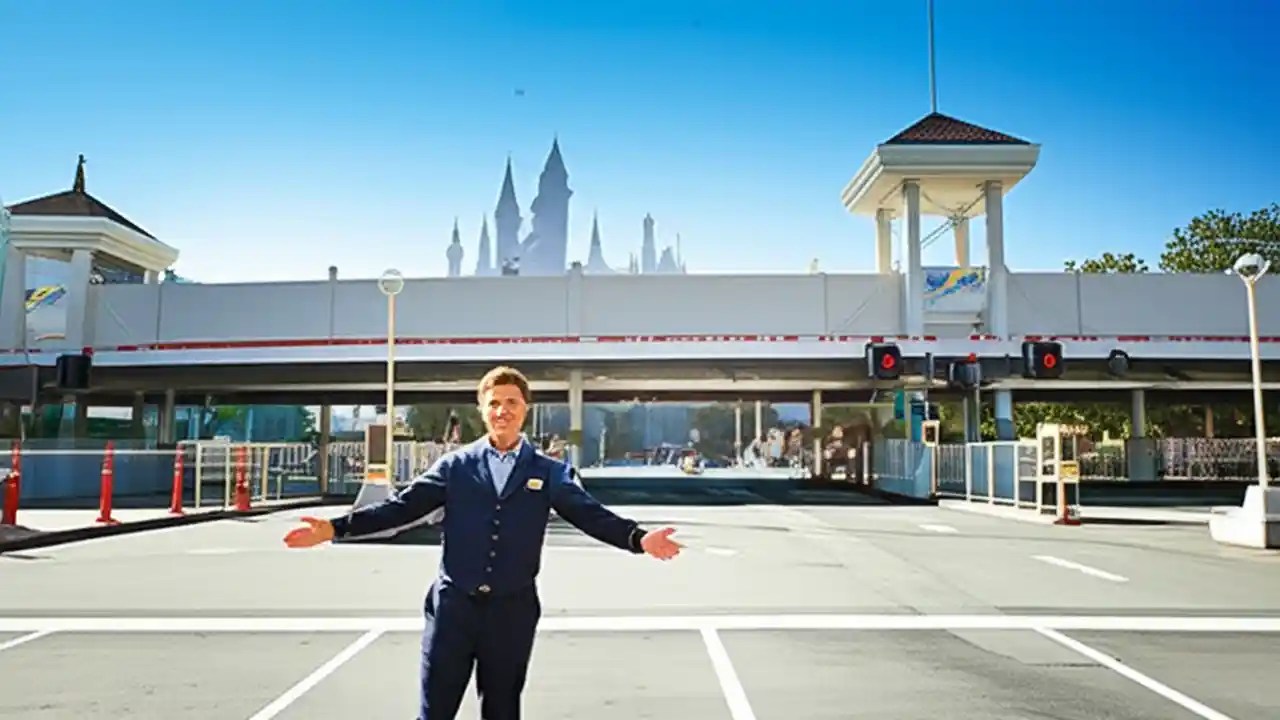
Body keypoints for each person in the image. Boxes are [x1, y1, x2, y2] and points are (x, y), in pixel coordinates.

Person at [283, 365, 683, 720]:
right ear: (482, 410)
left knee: (502, 708)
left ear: (525, 409)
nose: (502, 411)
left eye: (511, 402)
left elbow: (589, 514)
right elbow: (402, 508)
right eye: (494, 403)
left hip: (511, 612)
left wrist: (638, 538)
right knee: (435, 708)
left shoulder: (550, 471)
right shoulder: (455, 466)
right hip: (453, 609)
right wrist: (335, 528)